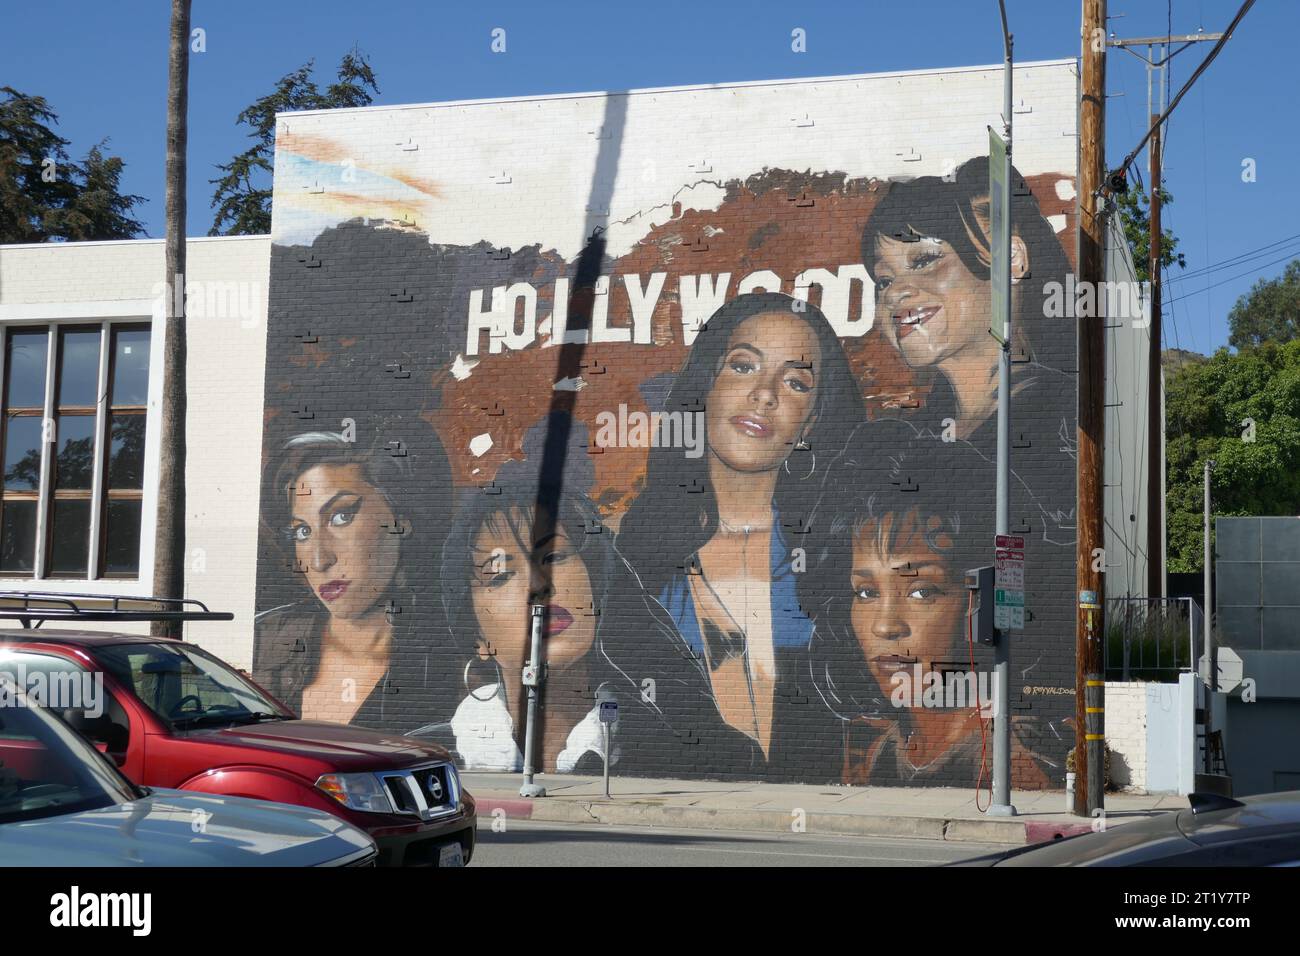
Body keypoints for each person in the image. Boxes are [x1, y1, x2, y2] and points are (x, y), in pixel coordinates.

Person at [616, 292, 863, 772]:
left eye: (795, 382)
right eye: (744, 366)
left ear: (811, 421)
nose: (766, 393)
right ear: (705, 385)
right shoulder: (639, 557)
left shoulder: (840, 553)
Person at [438, 413, 763, 777]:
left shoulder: (711, 756)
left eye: (555, 556)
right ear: (479, 638)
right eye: (500, 576)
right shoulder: (433, 761)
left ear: (597, 587)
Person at [800, 421, 1059, 787]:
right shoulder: (873, 747)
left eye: (922, 591)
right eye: (866, 593)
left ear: (978, 600)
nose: (885, 626)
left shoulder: (1014, 755)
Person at [860, 155, 1076, 546]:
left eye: (925, 260)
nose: (894, 292)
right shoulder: (903, 442)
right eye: (883, 280)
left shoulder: (1070, 417)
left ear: (1012, 259)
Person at [252, 418, 458, 736]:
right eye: (302, 531)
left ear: (401, 517)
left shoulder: (457, 658)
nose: (320, 560)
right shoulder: (264, 639)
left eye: (341, 516)